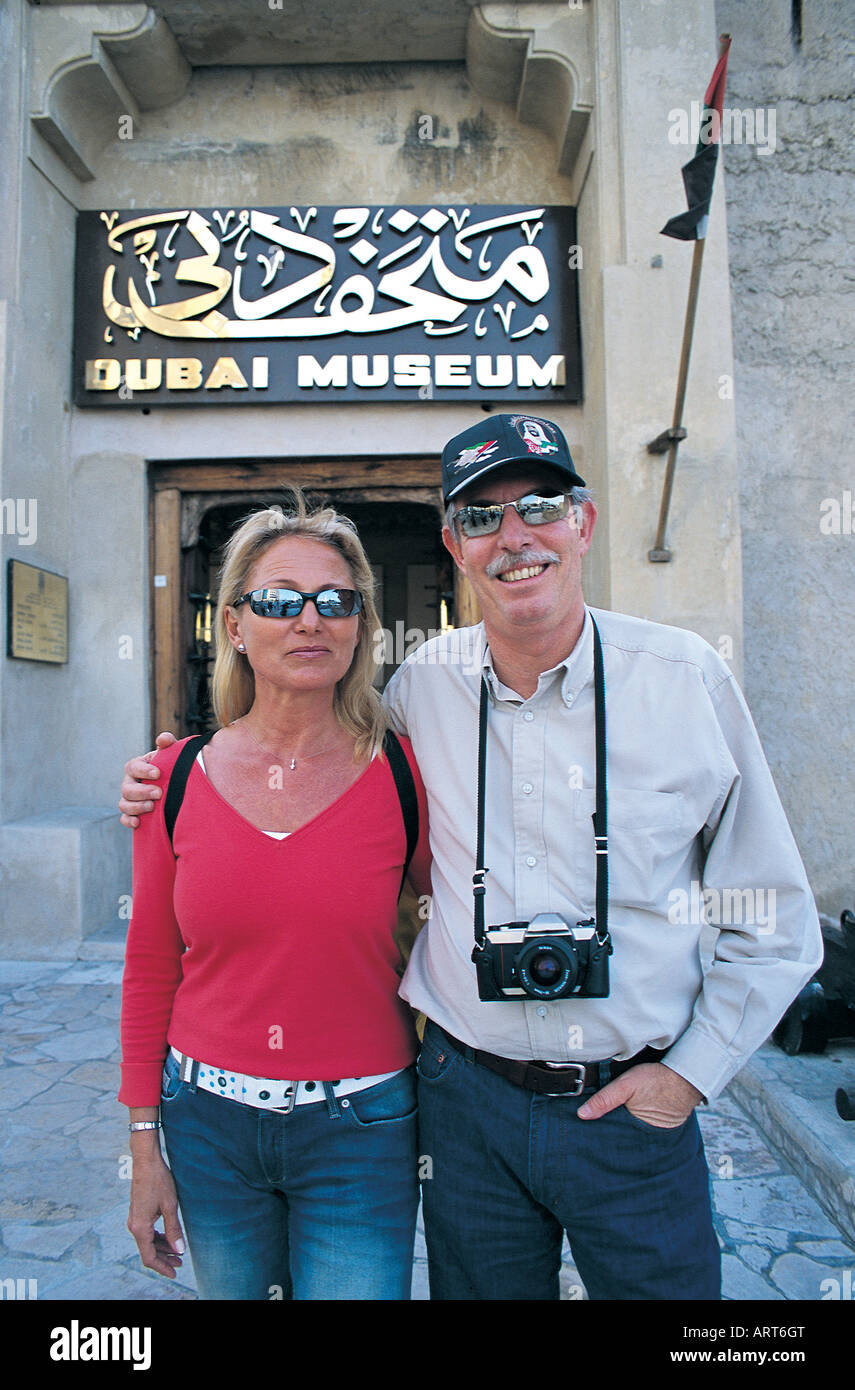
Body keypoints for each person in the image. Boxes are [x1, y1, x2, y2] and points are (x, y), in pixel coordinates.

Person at [121, 414, 823, 1302]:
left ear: (584, 523)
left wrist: (689, 1076)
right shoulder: (420, 691)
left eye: (540, 506)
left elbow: (770, 911)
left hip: (631, 1112)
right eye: (483, 517)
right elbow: (302, 769)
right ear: (455, 544)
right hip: (465, 1108)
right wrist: (163, 781)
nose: (515, 536)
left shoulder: (683, 679)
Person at [119, 491, 431, 1301]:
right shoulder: (172, 779)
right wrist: (145, 1140)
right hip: (207, 1123)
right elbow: (151, 964)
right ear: (232, 626)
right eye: (278, 601)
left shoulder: (405, 776)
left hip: (362, 1129)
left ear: (359, 624)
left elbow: (452, 926)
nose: (309, 620)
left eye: (334, 601)